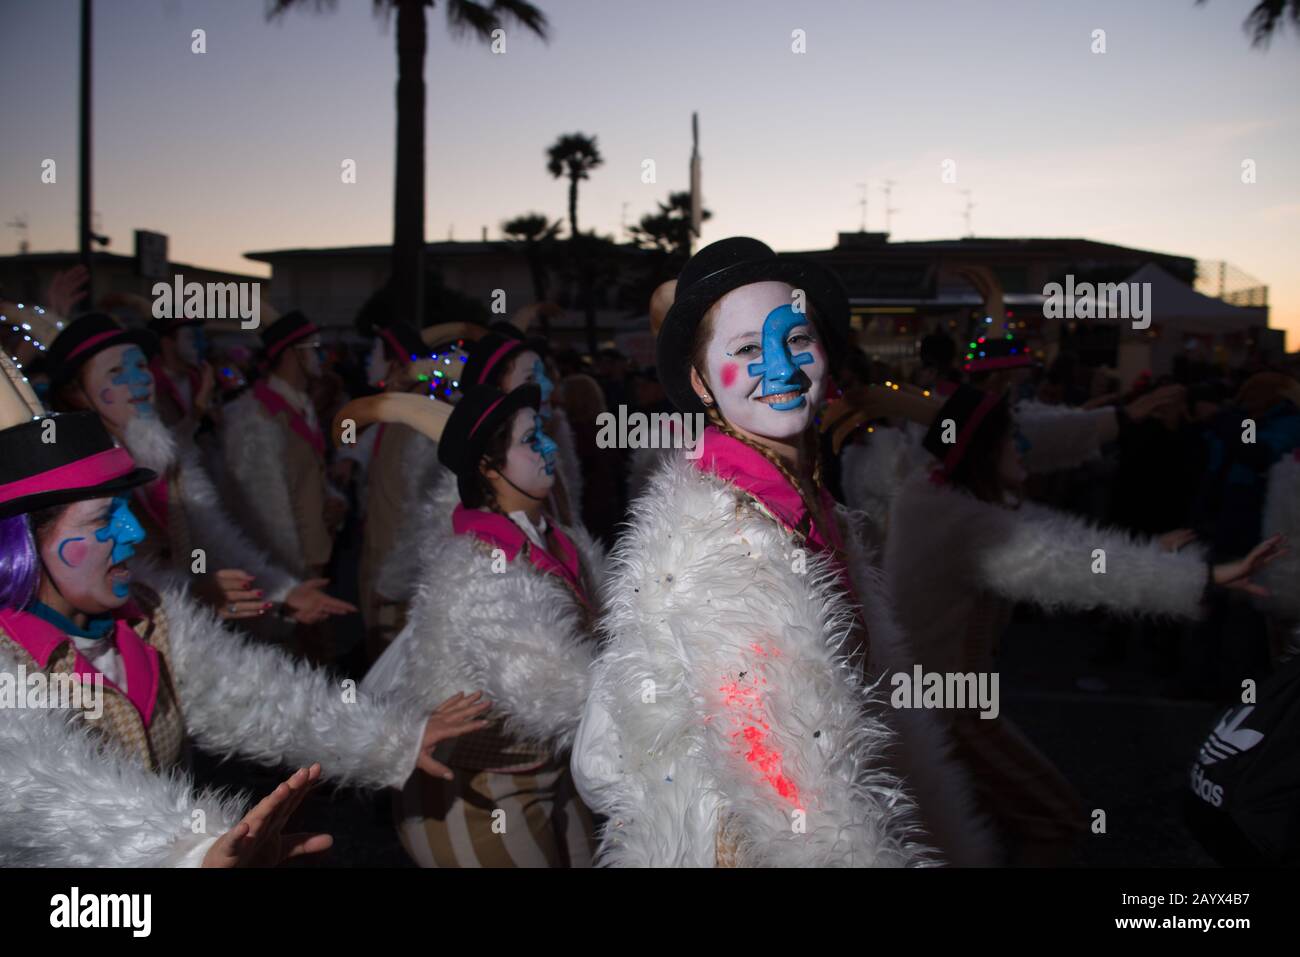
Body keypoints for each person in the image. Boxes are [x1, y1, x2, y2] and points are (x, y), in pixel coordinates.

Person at [571, 237, 991, 867]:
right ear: (700, 382)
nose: (781, 366)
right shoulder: (731, 543)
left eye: (797, 340)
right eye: (745, 349)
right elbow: (805, 810)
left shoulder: (806, 506)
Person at [0, 356, 490, 866]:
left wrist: (394, 737)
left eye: (127, 509)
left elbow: (257, 696)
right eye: (104, 518)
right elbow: (52, 791)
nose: (135, 533)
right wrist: (191, 854)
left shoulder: (148, 615)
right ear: (25, 545)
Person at [882, 383, 1287, 865]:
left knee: (960, 831)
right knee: (1055, 819)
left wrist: (1151, 553)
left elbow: (1053, 540)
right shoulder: (963, 518)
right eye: (1013, 438)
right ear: (984, 450)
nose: (1025, 447)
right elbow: (1064, 564)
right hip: (945, 705)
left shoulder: (933, 490)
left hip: (936, 697)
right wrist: (1204, 576)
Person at [351, 384, 603, 867]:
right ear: (488, 468)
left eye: (545, 433)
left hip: (549, 765)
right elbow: (551, 689)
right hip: (477, 793)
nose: (549, 447)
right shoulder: (477, 563)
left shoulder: (558, 539)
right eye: (531, 440)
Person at [43, 313, 351, 628]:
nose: (140, 381)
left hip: (187, 631)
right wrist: (191, 595)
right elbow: (95, 581)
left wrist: (284, 592)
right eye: (117, 372)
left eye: (140, 366)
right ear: (77, 394)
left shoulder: (170, 458)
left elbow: (215, 540)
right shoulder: (75, 478)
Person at [357, 321, 482, 660]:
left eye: (377, 354)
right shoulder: (396, 413)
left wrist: (393, 581)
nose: (369, 361)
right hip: (380, 565)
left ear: (399, 364)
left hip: (403, 586)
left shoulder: (423, 420)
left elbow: (425, 511)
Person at [221, 310, 346, 580]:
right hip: (287, 568)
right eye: (315, 348)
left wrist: (330, 497)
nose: (322, 356)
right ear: (292, 354)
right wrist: (288, 575)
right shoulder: (254, 417)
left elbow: (303, 473)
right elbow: (263, 510)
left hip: (316, 557)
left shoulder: (301, 405)